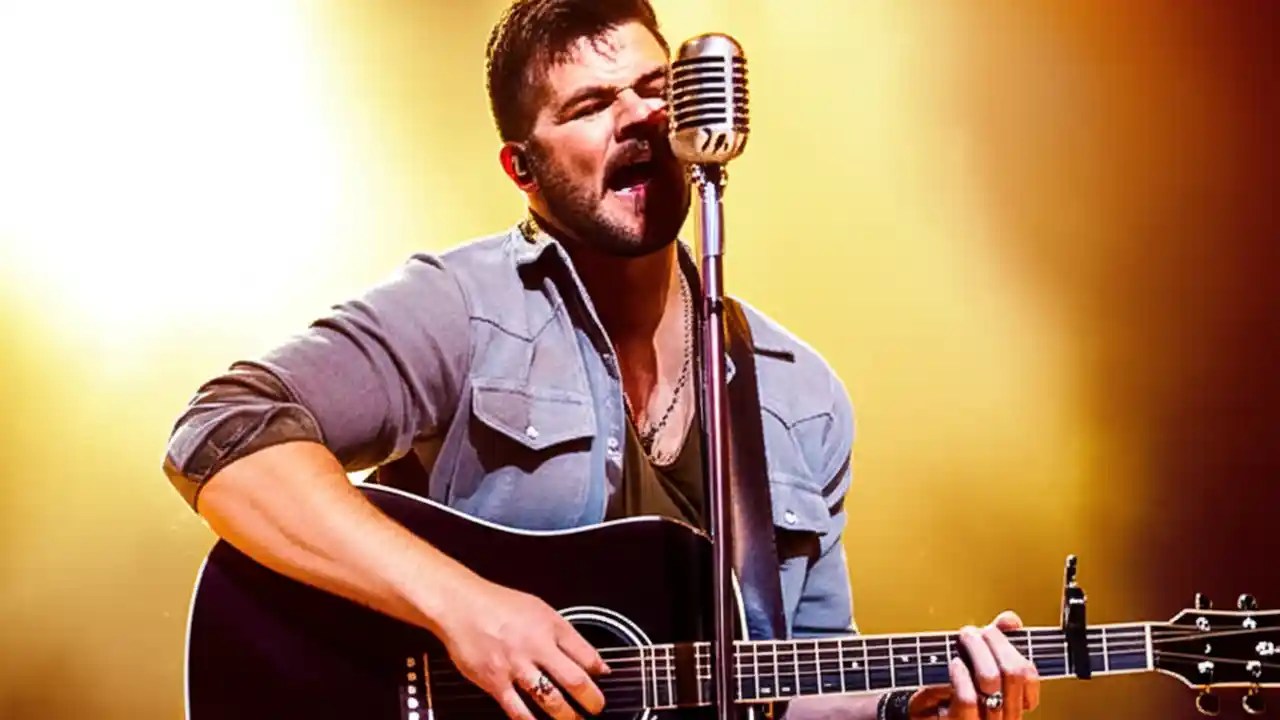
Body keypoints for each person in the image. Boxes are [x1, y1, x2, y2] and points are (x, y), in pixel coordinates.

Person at [162, 1, 1040, 719]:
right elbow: (222, 434)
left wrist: (914, 709)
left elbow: (797, 681)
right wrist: (465, 607)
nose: (640, 118)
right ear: (524, 170)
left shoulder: (800, 397)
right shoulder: (466, 309)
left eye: (656, 88)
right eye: (589, 105)